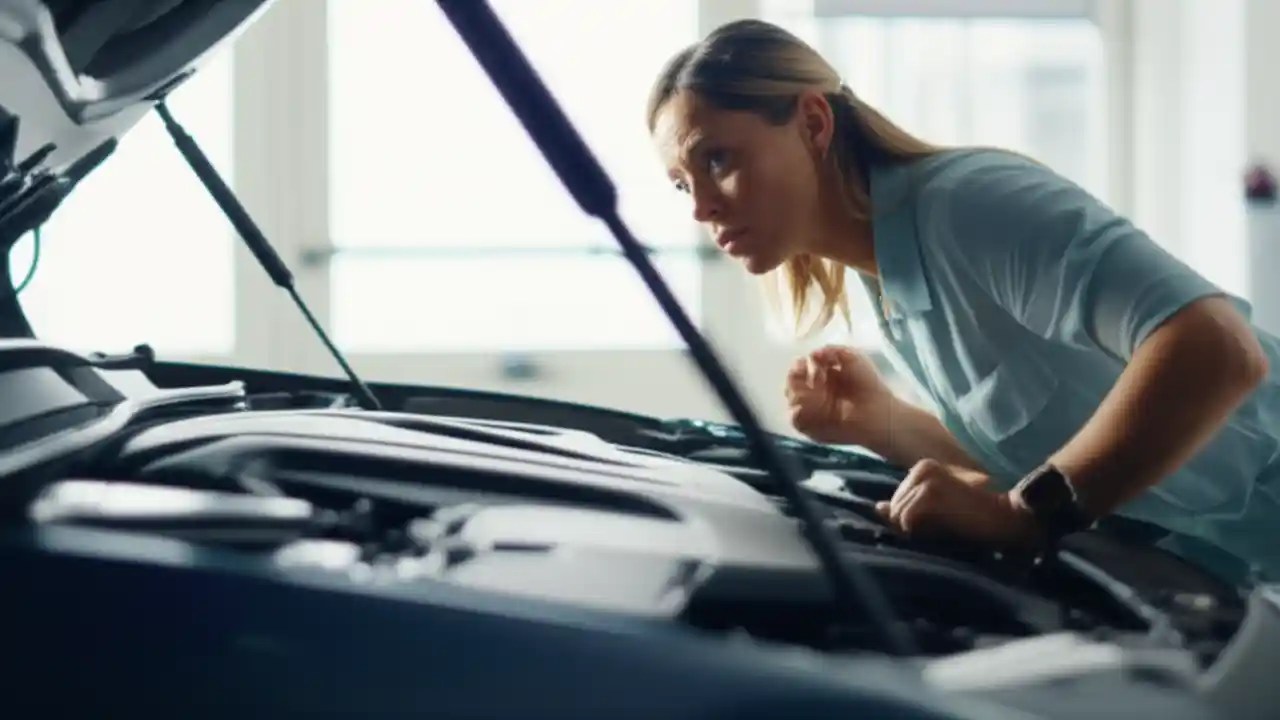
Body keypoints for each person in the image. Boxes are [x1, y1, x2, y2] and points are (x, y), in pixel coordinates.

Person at [646, 18, 1280, 585]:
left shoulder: (969, 203)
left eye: (718, 159)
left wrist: (1024, 516)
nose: (701, 207)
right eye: (681, 185)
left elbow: (1218, 349)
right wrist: (884, 424)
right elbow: (1052, 467)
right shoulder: (888, 279)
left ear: (813, 122)